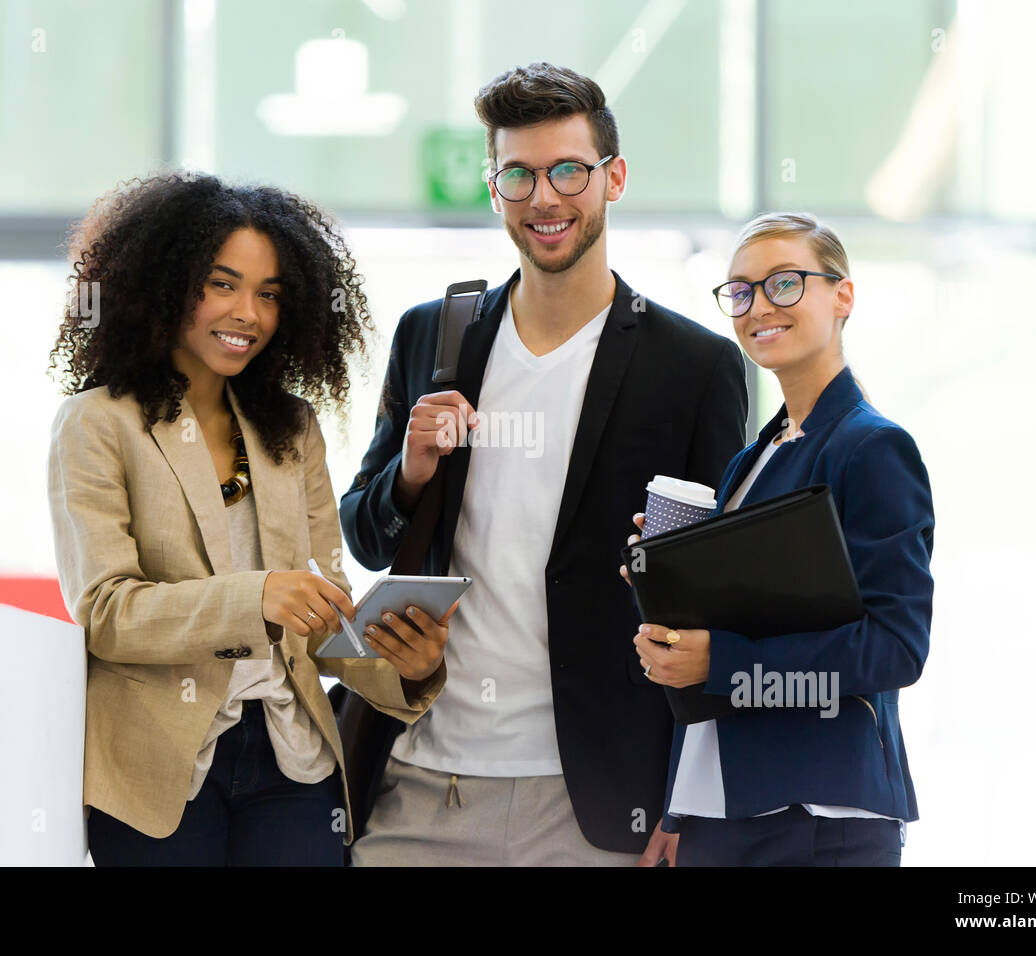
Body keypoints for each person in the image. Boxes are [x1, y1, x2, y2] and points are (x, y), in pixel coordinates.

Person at [340, 63, 747, 866]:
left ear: (613, 177)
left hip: (593, 798)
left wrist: (687, 797)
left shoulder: (694, 366)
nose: (544, 198)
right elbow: (366, 533)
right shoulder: (433, 335)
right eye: (517, 174)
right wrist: (413, 471)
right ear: (493, 188)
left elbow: (720, 599)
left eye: (568, 169)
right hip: (423, 776)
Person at [46, 172, 452, 866]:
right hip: (158, 771)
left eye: (269, 294)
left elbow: (322, 615)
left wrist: (402, 668)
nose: (248, 314)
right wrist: (258, 597)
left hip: (291, 759)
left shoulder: (291, 428)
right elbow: (106, 613)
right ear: (165, 283)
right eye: (222, 284)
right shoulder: (96, 423)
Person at [624, 211, 934, 866]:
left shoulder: (872, 449)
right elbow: (739, 629)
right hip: (726, 810)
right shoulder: (751, 461)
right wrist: (666, 582)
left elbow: (895, 648)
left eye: (784, 283)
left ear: (842, 295)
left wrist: (722, 663)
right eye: (740, 291)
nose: (759, 304)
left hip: (816, 817)